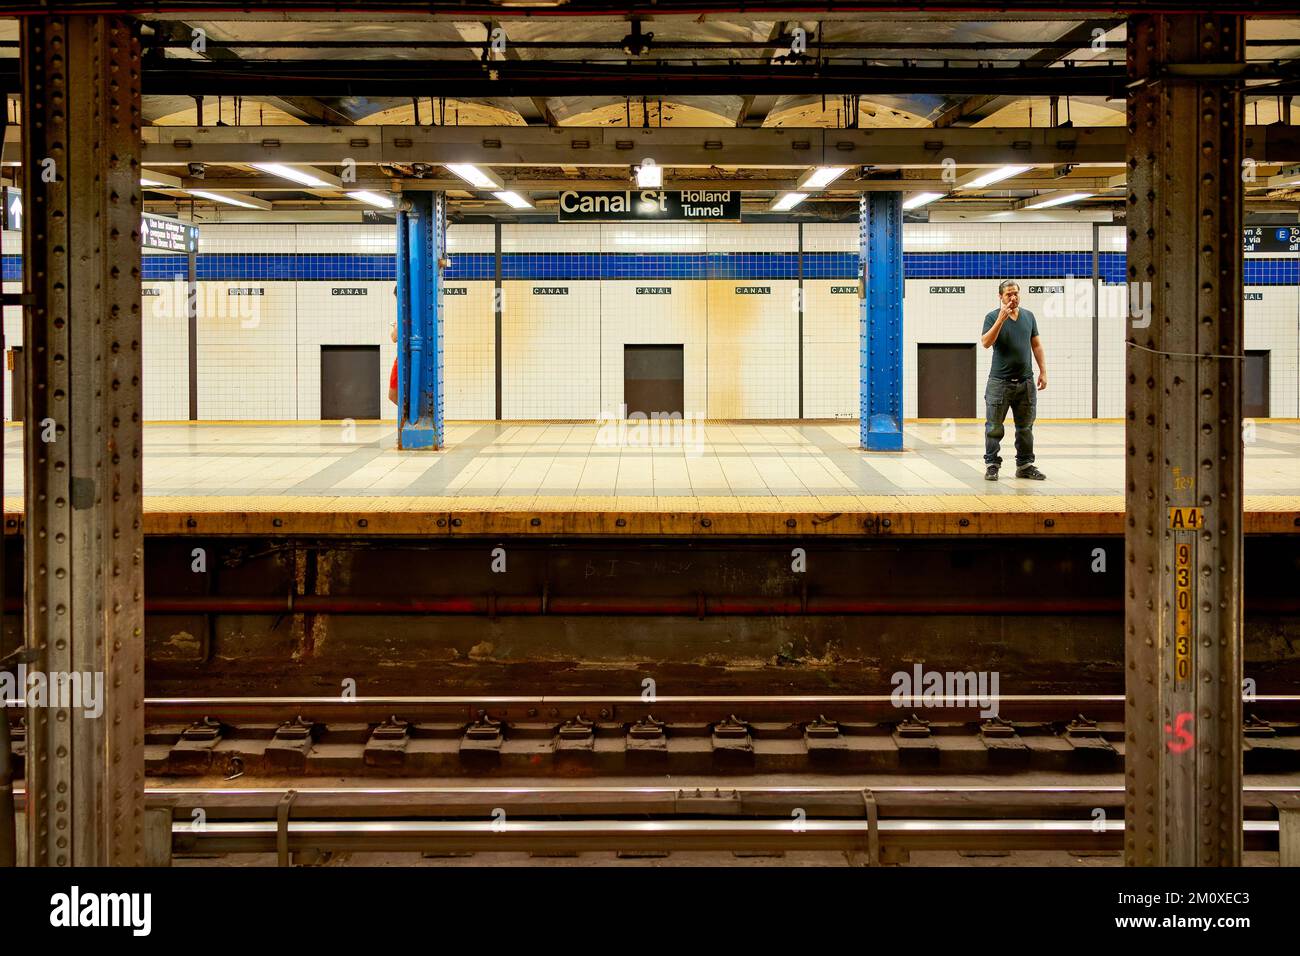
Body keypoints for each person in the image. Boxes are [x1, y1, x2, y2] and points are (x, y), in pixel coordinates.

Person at [980, 279, 1047, 481]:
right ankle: (992, 464)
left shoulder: (1029, 316)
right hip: (999, 383)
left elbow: (1036, 346)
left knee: (1025, 427)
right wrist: (1001, 319)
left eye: (1016, 293)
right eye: (1008, 294)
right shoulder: (992, 317)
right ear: (1000, 296)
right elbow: (985, 342)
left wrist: (1043, 371)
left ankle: (1025, 465)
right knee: (994, 427)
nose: (1013, 297)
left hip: (1025, 382)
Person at [388, 319, 398, 405]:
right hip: (402, 358)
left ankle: (410, 415)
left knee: (392, 395)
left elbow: (394, 338)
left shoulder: (403, 317)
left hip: (401, 360)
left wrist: (396, 327)